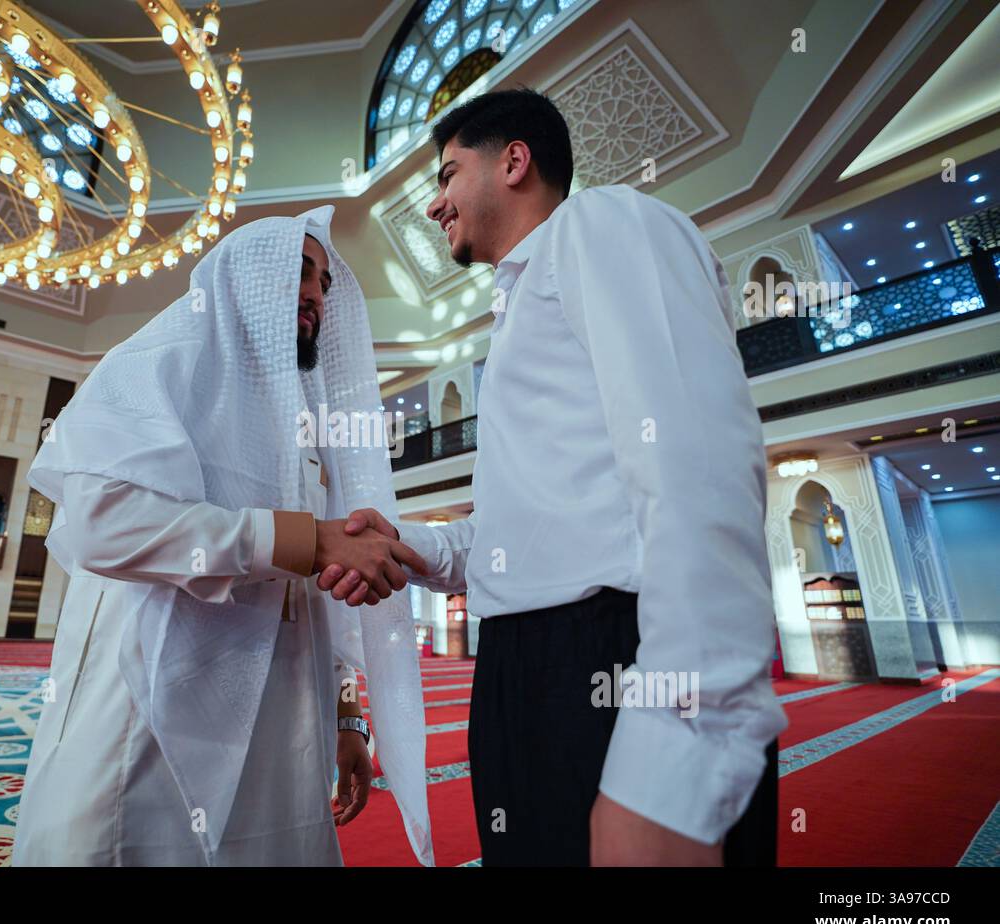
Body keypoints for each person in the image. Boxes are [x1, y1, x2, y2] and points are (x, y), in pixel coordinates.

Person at [318, 89, 786, 866]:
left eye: (447, 174)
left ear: (513, 160)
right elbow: (521, 533)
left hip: (608, 658)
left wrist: (673, 760)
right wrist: (413, 546)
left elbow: (693, 462)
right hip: (525, 668)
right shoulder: (518, 309)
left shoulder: (603, 225)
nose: (435, 205)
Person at [12, 205, 433, 867]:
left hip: (285, 728)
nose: (315, 295)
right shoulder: (159, 363)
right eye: (298, 272)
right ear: (245, 280)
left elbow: (323, 595)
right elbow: (102, 524)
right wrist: (308, 541)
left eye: (324, 283)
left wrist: (348, 713)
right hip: (148, 720)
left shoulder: (306, 427)